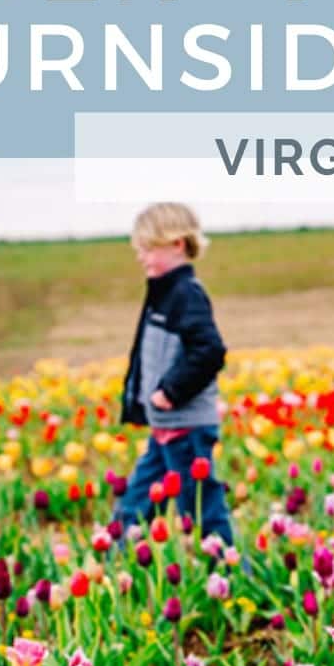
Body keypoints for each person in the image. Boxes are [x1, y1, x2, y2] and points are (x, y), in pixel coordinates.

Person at [118, 202, 234, 545]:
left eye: (148, 248)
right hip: (165, 427)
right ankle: (110, 571)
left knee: (201, 511)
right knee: (136, 504)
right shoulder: (164, 293)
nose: (141, 257)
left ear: (177, 245)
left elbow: (210, 351)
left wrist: (169, 391)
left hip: (186, 428)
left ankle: (232, 575)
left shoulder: (186, 295)